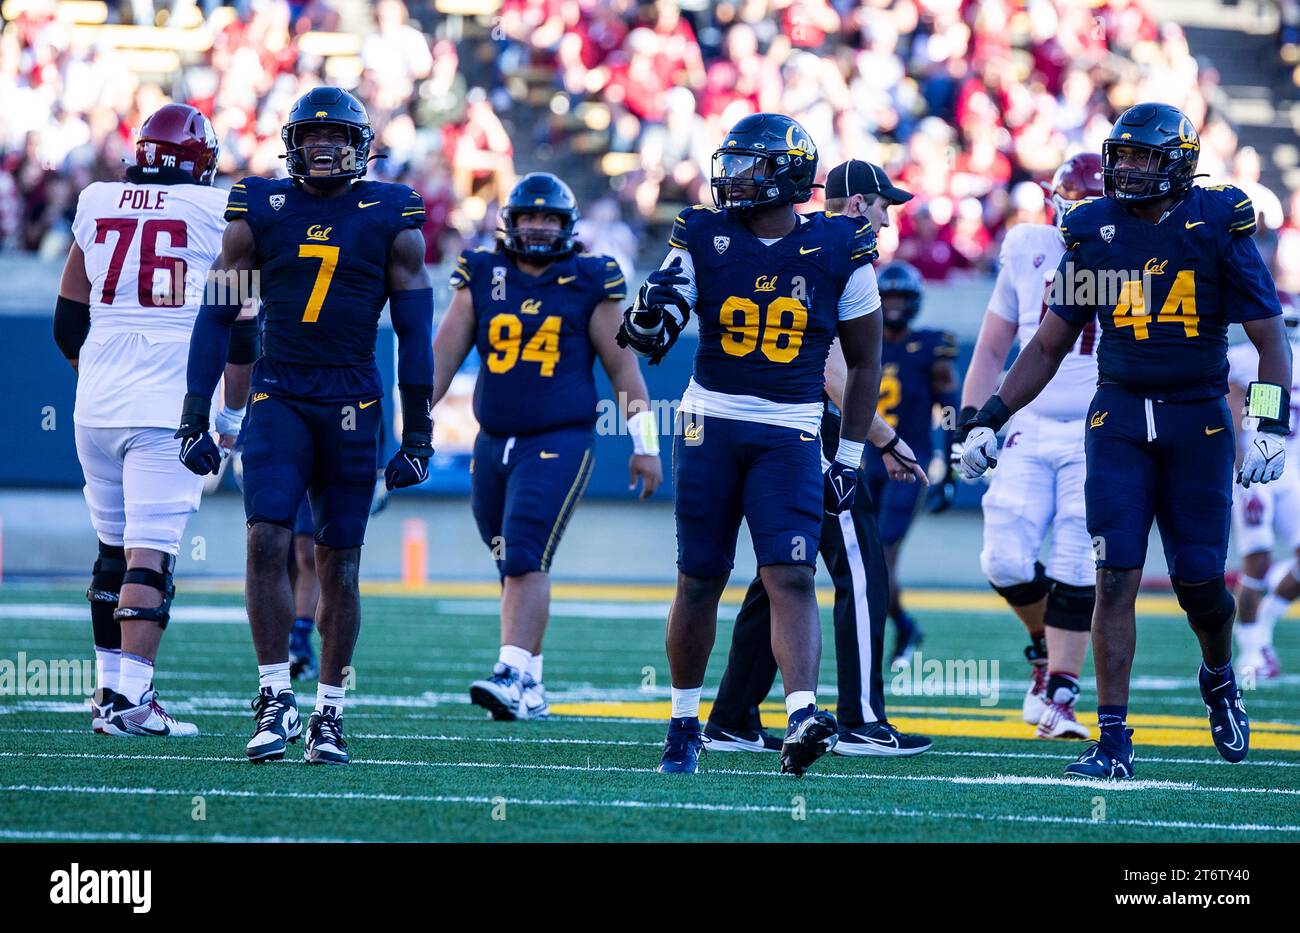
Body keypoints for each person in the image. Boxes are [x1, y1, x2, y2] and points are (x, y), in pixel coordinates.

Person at [960, 103, 1290, 778]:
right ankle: (1112, 740)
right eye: (1124, 156)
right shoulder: (1095, 228)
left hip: (1196, 420)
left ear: (1178, 162)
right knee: (1115, 577)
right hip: (1116, 421)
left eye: (1143, 157)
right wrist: (990, 414)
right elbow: (1048, 343)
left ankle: (1220, 675)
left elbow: (1268, 336)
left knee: (1202, 585)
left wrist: (1268, 421)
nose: (1129, 169)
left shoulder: (1216, 222)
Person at [618, 113, 884, 776]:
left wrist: (848, 455)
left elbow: (867, 361)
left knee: (790, 571)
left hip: (791, 430)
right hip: (710, 425)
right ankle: (684, 721)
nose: (734, 178)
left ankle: (800, 716)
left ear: (789, 176)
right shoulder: (703, 232)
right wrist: (648, 317)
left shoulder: (840, 244)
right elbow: (660, 314)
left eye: (752, 166)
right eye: (731, 163)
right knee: (701, 577)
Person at [177, 87, 436, 766]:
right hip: (279, 392)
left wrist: (418, 436)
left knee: (339, 562)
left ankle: (329, 712)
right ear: (292, 144)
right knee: (264, 536)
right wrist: (192, 416)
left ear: (362, 146)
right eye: (311, 136)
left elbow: (415, 331)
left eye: (337, 137)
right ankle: (272, 696)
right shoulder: (258, 207)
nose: (323, 148)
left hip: (353, 399)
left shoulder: (391, 212)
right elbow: (215, 314)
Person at [705, 159, 933, 757]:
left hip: (786, 430)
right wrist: (882, 439)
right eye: (884, 205)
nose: (889, 219)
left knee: (782, 575)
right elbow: (838, 370)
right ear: (857, 203)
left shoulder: (801, 241)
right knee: (858, 570)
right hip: (812, 434)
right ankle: (859, 719)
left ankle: (731, 715)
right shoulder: (833, 251)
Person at [54, 103, 258, 738]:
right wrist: (227, 419)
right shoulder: (219, 212)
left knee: (112, 549)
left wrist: (101, 381)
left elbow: (68, 322)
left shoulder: (95, 200)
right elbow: (242, 329)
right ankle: (132, 701)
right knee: (152, 554)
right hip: (170, 401)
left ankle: (109, 695)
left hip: (97, 404)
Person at [432, 172, 662, 721]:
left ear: (568, 226)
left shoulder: (591, 277)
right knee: (510, 560)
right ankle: (531, 683)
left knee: (524, 551)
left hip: (560, 438)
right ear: (509, 223)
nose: (538, 227)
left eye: (550, 219)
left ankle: (510, 672)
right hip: (492, 441)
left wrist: (644, 443)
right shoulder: (482, 272)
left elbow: (622, 364)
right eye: (529, 217)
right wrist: (410, 424)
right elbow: (442, 356)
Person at [957, 153, 1103, 740]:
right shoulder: (1026, 246)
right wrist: (972, 420)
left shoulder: (1134, 248)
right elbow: (993, 349)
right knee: (1004, 557)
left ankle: (1060, 693)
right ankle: (1045, 647)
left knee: (1074, 559)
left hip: (1097, 426)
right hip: (1027, 418)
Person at [865, 258, 959, 665]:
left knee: (881, 557)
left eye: (903, 298)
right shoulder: (860, 341)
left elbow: (951, 408)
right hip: (864, 461)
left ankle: (878, 638)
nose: (896, 306)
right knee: (862, 559)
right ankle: (902, 624)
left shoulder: (931, 347)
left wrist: (951, 465)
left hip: (908, 464)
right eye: (889, 297)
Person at [1226, 293, 1300, 680]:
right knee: (1257, 561)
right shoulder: (1242, 359)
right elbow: (1234, 411)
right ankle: (1250, 650)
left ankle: (1263, 629)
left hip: (1294, 470)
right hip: (1256, 469)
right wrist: (1240, 468)